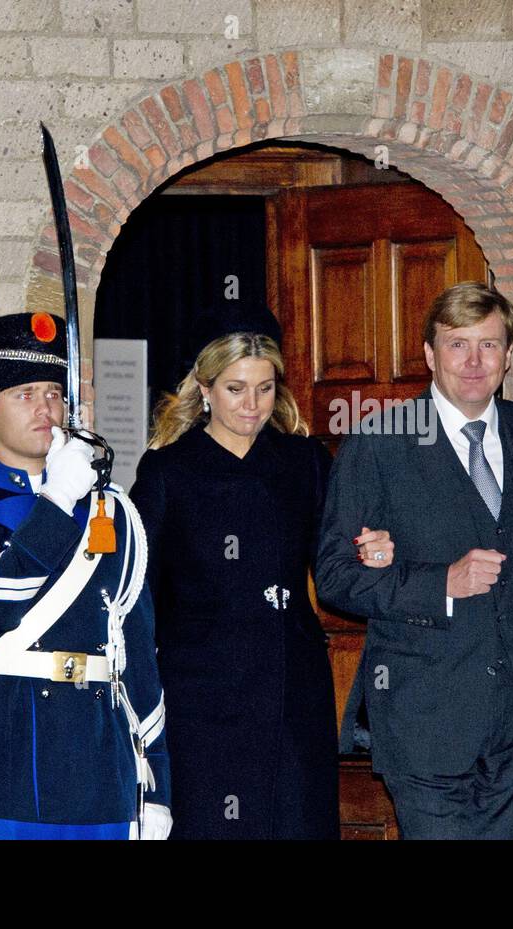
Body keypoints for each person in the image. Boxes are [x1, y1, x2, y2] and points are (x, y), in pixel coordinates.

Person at [314, 281, 513, 840]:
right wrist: (442, 584)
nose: (474, 361)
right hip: (424, 715)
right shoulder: (379, 442)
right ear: (431, 355)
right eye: (458, 345)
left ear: (509, 355)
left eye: (489, 345)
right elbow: (336, 575)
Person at [129, 306, 391, 840]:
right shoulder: (168, 472)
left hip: (292, 691)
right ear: (204, 389)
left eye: (265, 388)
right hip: (201, 699)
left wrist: (377, 553)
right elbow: (138, 598)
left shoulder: (303, 462)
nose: (252, 406)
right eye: (235, 389)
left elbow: (337, 569)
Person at [0, 311, 171, 839]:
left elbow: (137, 652)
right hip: (5, 765)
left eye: (54, 393)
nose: (46, 409)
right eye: (24, 395)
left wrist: (156, 788)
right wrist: (55, 501)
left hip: (103, 766)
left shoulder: (114, 513)